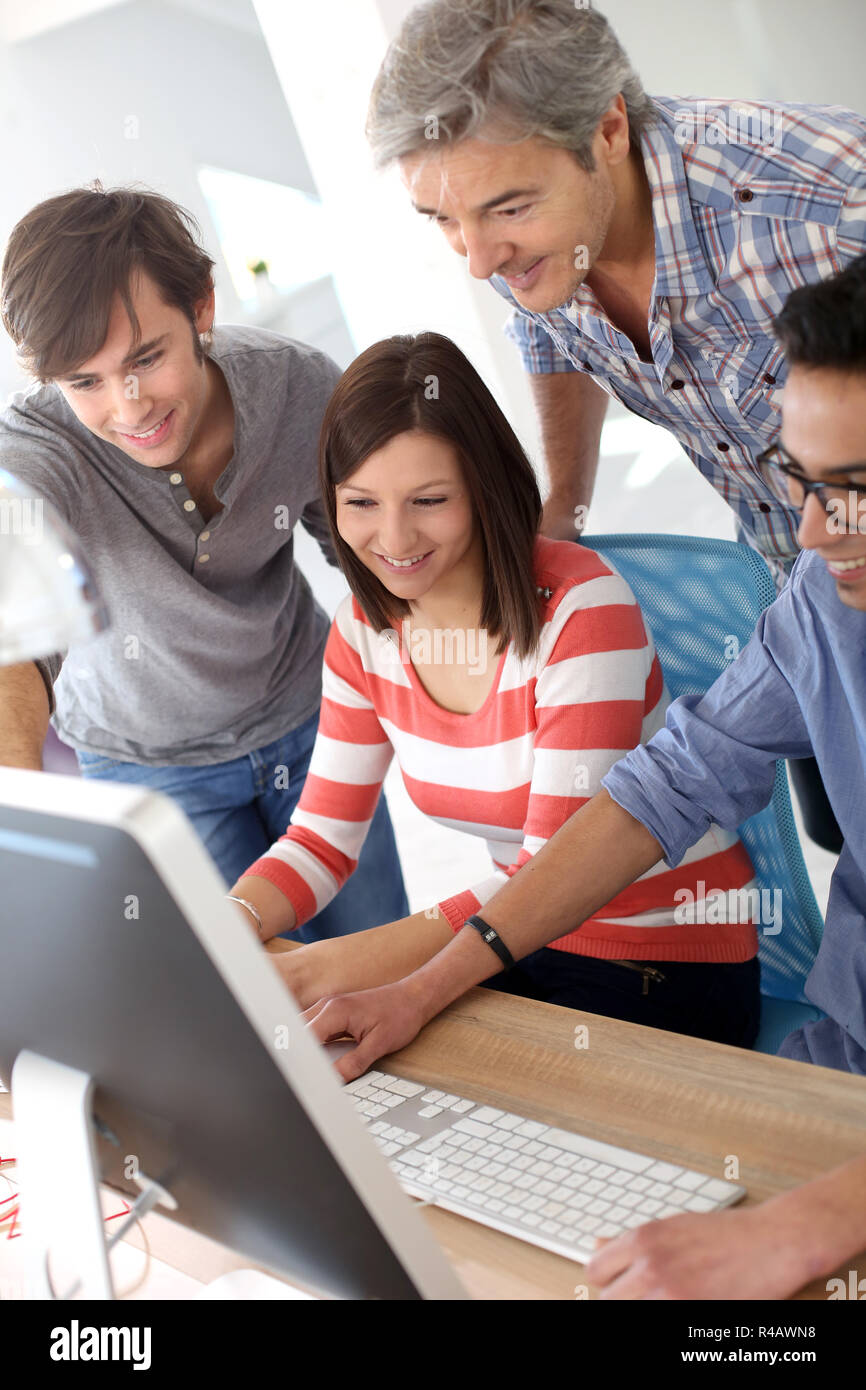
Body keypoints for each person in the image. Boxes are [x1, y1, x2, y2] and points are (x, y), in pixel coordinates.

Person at [302, 255, 866, 1299]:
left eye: (854, 491)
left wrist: (801, 1230)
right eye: (799, 481)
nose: (809, 530)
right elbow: (665, 786)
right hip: (835, 1069)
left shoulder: (580, 604)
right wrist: (416, 988)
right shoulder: (822, 604)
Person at [366, 0, 866, 853]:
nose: (478, 259)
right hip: (800, 587)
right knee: (844, 837)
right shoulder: (530, 245)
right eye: (444, 220)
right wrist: (566, 501)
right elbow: (544, 324)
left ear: (606, 129)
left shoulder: (826, 207)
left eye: (506, 210)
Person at [229, 330, 761, 1045]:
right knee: (345, 1066)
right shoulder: (363, 630)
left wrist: (325, 967)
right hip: (515, 940)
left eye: (428, 500)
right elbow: (321, 840)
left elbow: (549, 875)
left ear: (484, 488)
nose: (393, 537)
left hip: (659, 955)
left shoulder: (581, 609)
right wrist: (231, 925)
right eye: (359, 503)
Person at [0, 184, 408, 941]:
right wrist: (25, 838)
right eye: (84, 382)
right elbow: (13, 636)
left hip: (309, 716)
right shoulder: (37, 452)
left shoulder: (298, 386)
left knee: (377, 952)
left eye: (146, 359)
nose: (127, 408)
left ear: (202, 310)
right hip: (151, 765)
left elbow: (370, 555)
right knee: (252, 996)